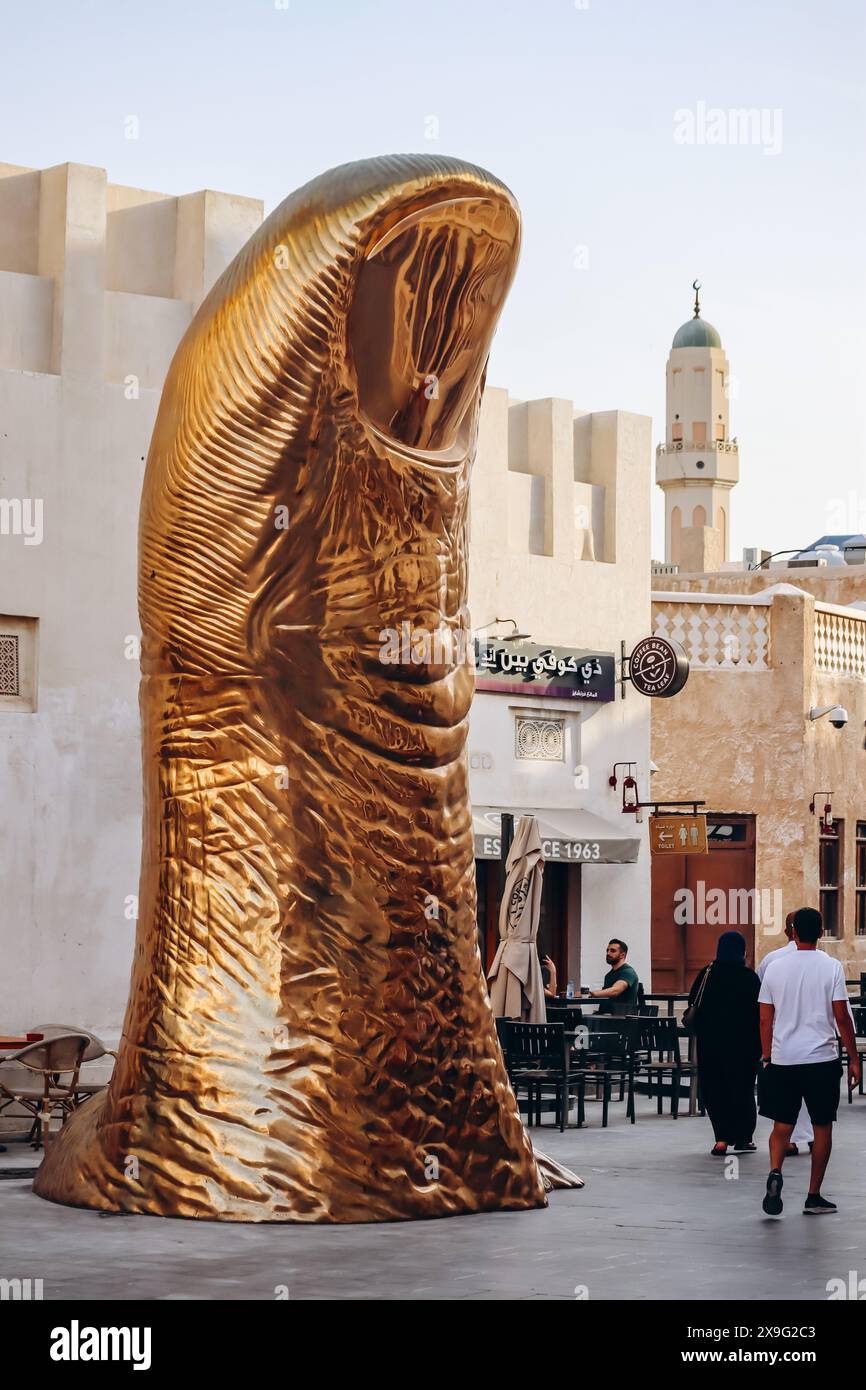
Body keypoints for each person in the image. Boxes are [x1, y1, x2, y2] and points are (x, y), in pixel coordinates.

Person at [758, 906, 860, 1217]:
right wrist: (854, 1059)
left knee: (781, 1125)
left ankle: (776, 1170)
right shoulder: (831, 967)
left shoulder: (775, 967)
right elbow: (842, 1017)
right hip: (821, 1058)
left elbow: (764, 1018)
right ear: (820, 932)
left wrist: (766, 1055)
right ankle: (813, 1194)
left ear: (792, 932)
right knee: (822, 1126)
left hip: (783, 1058)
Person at [688, 931, 761, 1156]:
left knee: (715, 1088)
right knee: (742, 1089)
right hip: (743, 1047)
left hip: (711, 1045)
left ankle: (721, 1138)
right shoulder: (749, 978)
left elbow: (693, 1002)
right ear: (742, 951)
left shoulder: (707, 974)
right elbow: (760, 1013)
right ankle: (743, 1138)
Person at [757, 913, 813, 1156]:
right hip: (815, 1041)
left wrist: (765, 1051)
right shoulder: (826, 962)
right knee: (813, 1097)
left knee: (785, 1098)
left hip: (782, 1040)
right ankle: (813, 1136)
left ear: (788, 931)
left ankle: (786, 1141)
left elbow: (763, 1010)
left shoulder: (772, 960)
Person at [589, 939, 640, 1015]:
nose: (608, 953)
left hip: (623, 1019)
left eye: (612, 951)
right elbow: (606, 996)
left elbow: (615, 991)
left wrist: (594, 994)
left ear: (622, 955)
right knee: (578, 1019)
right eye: (607, 950)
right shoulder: (608, 975)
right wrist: (584, 995)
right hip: (607, 1017)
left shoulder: (628, 972)